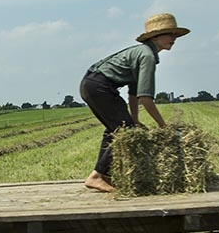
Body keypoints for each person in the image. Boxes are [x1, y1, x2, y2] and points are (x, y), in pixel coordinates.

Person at [79, 13, 189, 192]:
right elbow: (146, 98)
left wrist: (135, 119)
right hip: (100, 87)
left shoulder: (141, 53)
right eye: (170, 34)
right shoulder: (147, 56)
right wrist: (163, 126)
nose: (174, 39)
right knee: (125, 129)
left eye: (175, 35)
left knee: (119, 128)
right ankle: (96, 176)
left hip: (92, 84)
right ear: (155, 36)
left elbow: (134, 94)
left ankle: (103, 175)